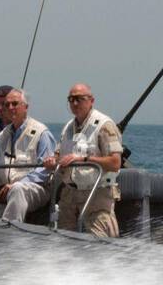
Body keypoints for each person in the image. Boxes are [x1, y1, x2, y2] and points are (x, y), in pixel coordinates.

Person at [42, 82, 123, 237]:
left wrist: (84, 159)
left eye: (79, 99)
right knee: (63, 240)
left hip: (96, 194)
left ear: (91, 100)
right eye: (71, 99)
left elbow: (115, 163)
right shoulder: (67, 128)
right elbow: (59, 155)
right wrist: (53, 161)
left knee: (100, 242)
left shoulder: (104, 126)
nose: (74, 103)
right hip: (69, 194)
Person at [0, 89, 55, 222]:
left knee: (18, 189)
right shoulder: (2, 136)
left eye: (15, 104)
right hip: (8, 186)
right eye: (7, 105)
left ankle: (9, 230)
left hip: (37, 188)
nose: (10, 108)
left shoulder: (41, 133)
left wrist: (18, 183)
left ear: (25, 107)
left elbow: (45, 170)